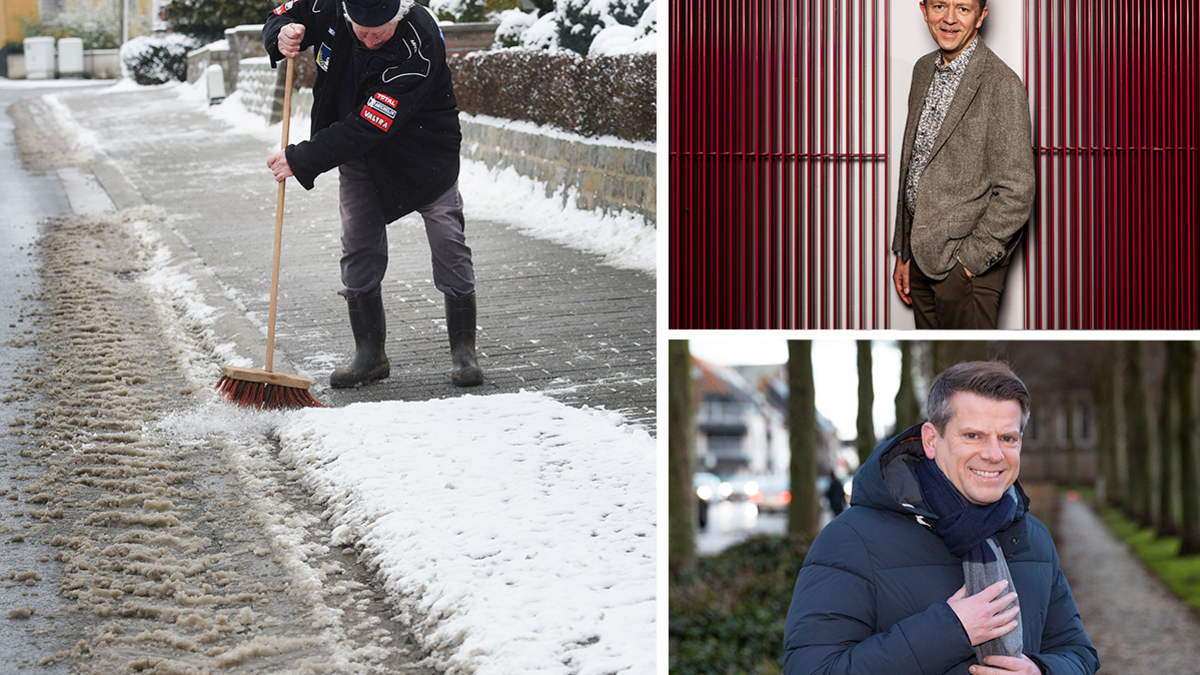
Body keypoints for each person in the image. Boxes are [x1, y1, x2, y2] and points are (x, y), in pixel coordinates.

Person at [783, 362, 1098, 675]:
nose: (994, 454)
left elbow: (1078, 653)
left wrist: (1041, 671)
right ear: (932, 440)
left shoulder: (1032, 537)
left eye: (1008, 438)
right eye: (973, 435)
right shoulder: (851, 540)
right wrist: (952, 631)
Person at [262, 0, 483, 388]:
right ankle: (370, 355)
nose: (370, 39)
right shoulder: (329, 5)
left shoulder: (421, 39)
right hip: (360, 154)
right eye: (361, 31)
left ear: (399, 14)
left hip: (424, 152)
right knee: (358, 243)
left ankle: (463, 351)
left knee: (448, 240)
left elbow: (372, 121)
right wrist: (281, 34)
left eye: (380, 31)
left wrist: (302, 158)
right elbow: (284, 13)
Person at [891, 0, 1036, 329]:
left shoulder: (1002, 85)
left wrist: (969, 263)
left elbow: (1017, 190)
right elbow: (915, 163)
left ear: (981, 16)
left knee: (966, 362)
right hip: (920, 259)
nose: (950, 19)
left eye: (964, 9)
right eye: (940, 5)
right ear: (924, 9)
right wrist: (904, 250)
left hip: (965, 273)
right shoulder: (923, 69)